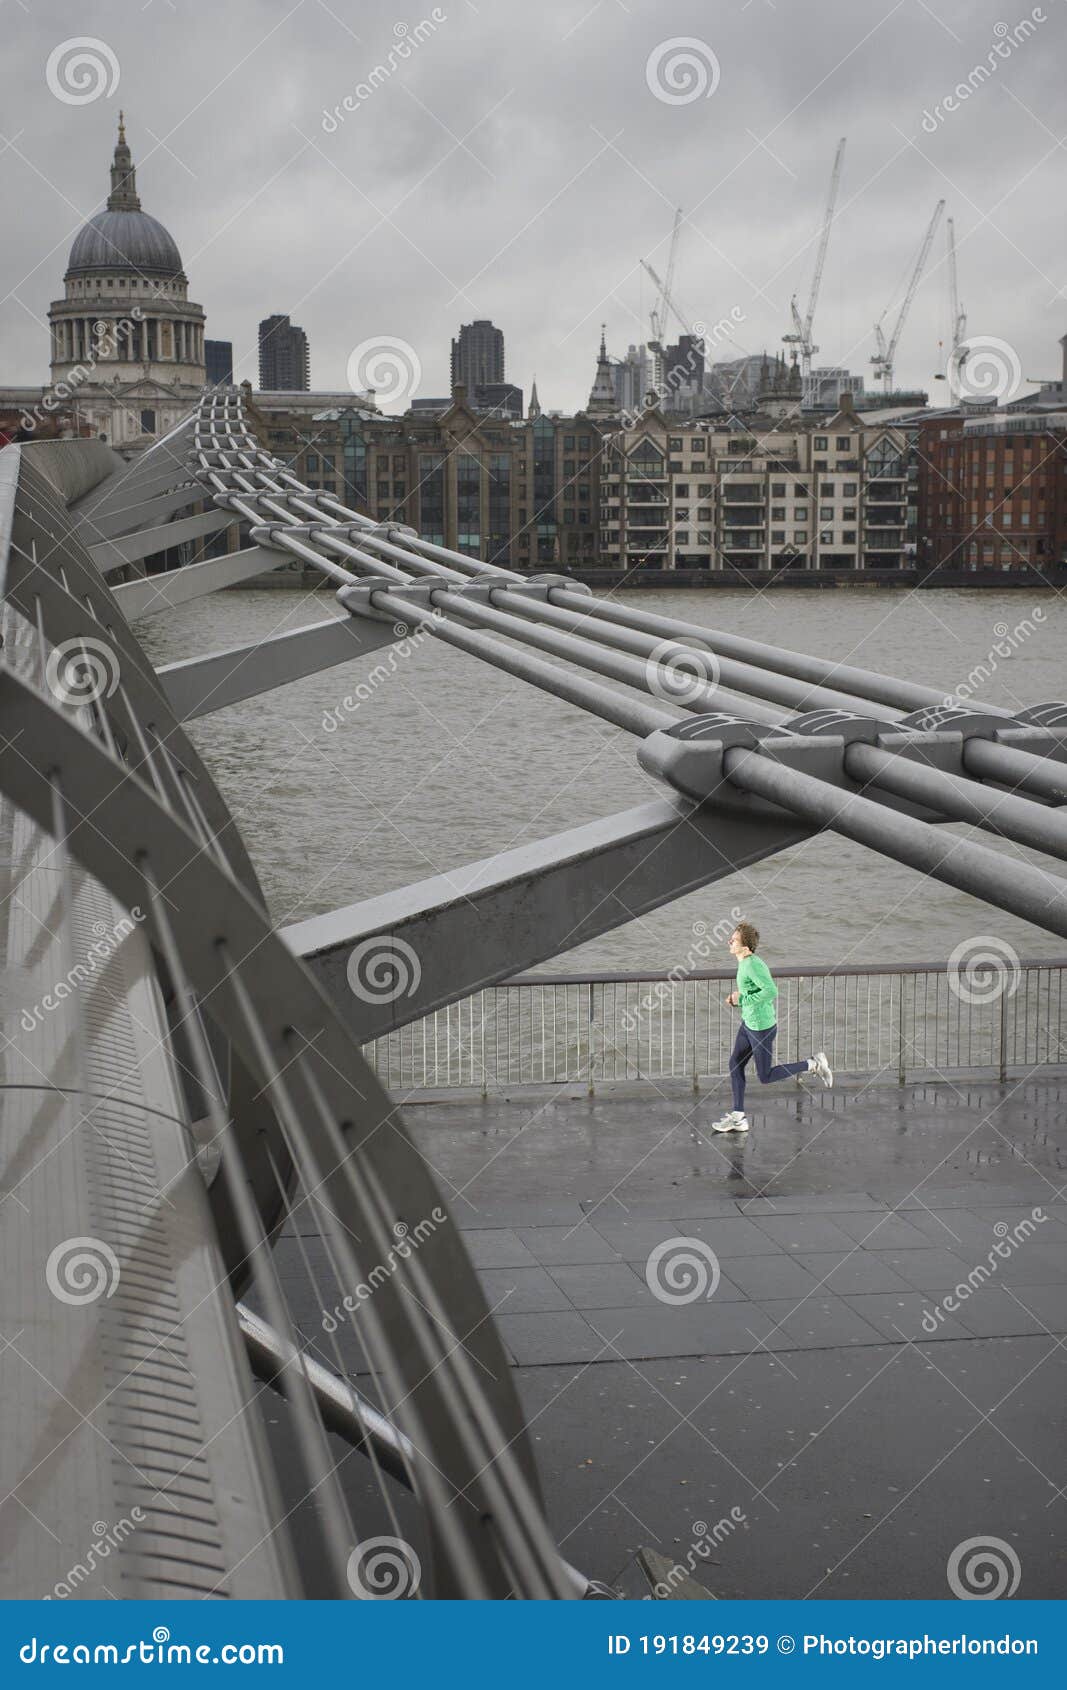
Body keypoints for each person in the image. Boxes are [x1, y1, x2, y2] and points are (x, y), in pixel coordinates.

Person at [711, 920, 832, 1133]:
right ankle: (739, 1117)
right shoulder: (745, 962)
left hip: (761, 1028)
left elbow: (771, 991)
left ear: (745, 947)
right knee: (735, 1064)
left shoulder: (751, 965)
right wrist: (740, 998)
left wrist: (741, 1000)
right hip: (749, 1023)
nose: (729, 940)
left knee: (765, 1076)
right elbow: (753, 991)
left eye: (734, 939)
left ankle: (812, 1064)